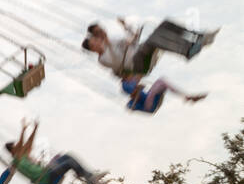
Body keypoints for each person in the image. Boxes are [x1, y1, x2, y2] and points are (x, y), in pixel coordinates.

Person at [0, 121, 107, 184]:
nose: (20, 146)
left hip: (49, 171)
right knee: (69, 163)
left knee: (69, 156)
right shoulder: (16, 160)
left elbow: (29, 142)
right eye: (17, 146)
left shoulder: (23, 155)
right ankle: (90, 179)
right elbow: (23, 143)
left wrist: (34, 128)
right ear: (13, 151)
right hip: (46, 178)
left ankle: (89, 177)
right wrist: (23, 130)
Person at [83, 19, 218, 80]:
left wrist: (128, 27)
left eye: (101, 30)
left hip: (139, 52)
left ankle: (199, 36)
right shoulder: (102, 60)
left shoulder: (111, 40)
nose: (101, 35)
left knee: (165, 24)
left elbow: (132, 39)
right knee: (153, 40)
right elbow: (116, 60)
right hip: (137, 64)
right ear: (93, 47)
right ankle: (187, 51)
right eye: (97, 35)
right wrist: (109, 44)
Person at [122, 77, 207, 114]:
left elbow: (137, 79)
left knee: (161, 81)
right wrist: (137, 92)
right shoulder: (126, 88)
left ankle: (187, 96)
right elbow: (132, 105)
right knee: (160, 82)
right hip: (148, 107)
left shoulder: (132, 83)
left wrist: (138, 87)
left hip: (150, 99)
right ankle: (187, 97)